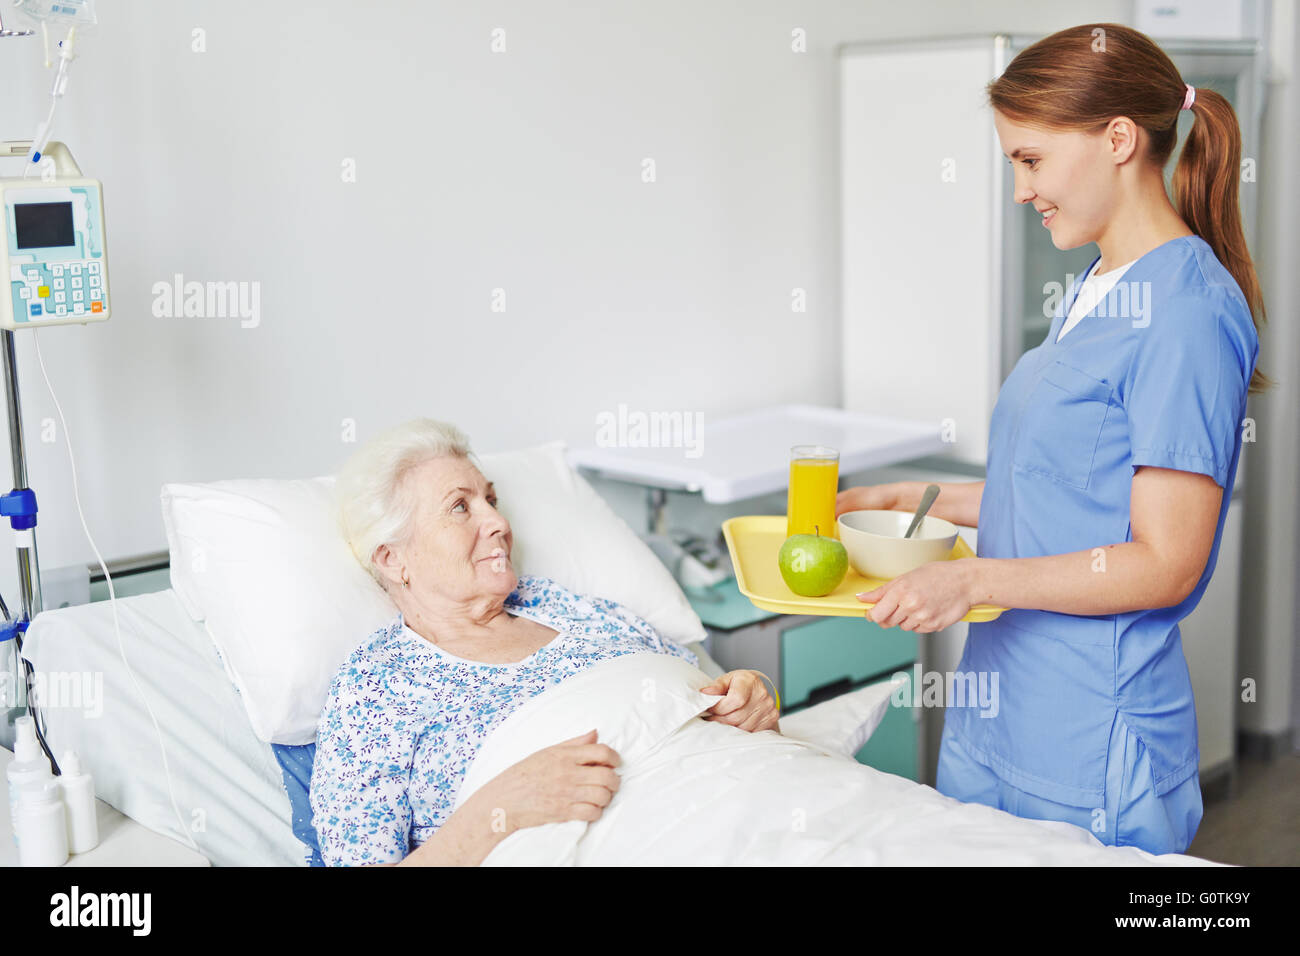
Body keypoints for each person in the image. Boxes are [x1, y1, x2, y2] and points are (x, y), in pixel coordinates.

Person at [836, 22, 1267, 855]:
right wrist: (915, 500)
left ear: (1118, 139)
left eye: (1029, 160)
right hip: (1000, 707)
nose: (1018, 189)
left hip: (1090, 734)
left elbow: (1167, 557)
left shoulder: (1186, 313)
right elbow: (1067, 490)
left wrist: (971, 583)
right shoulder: (1098, 284)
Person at [310, 417, 779, 866]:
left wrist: (749, 696)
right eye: (460, 506)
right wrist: (497, 810)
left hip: (748, 803)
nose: (497, 522)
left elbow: (700, 699)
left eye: (491, 500)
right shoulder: (378, 685)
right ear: (393, 559)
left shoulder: (565, 606)